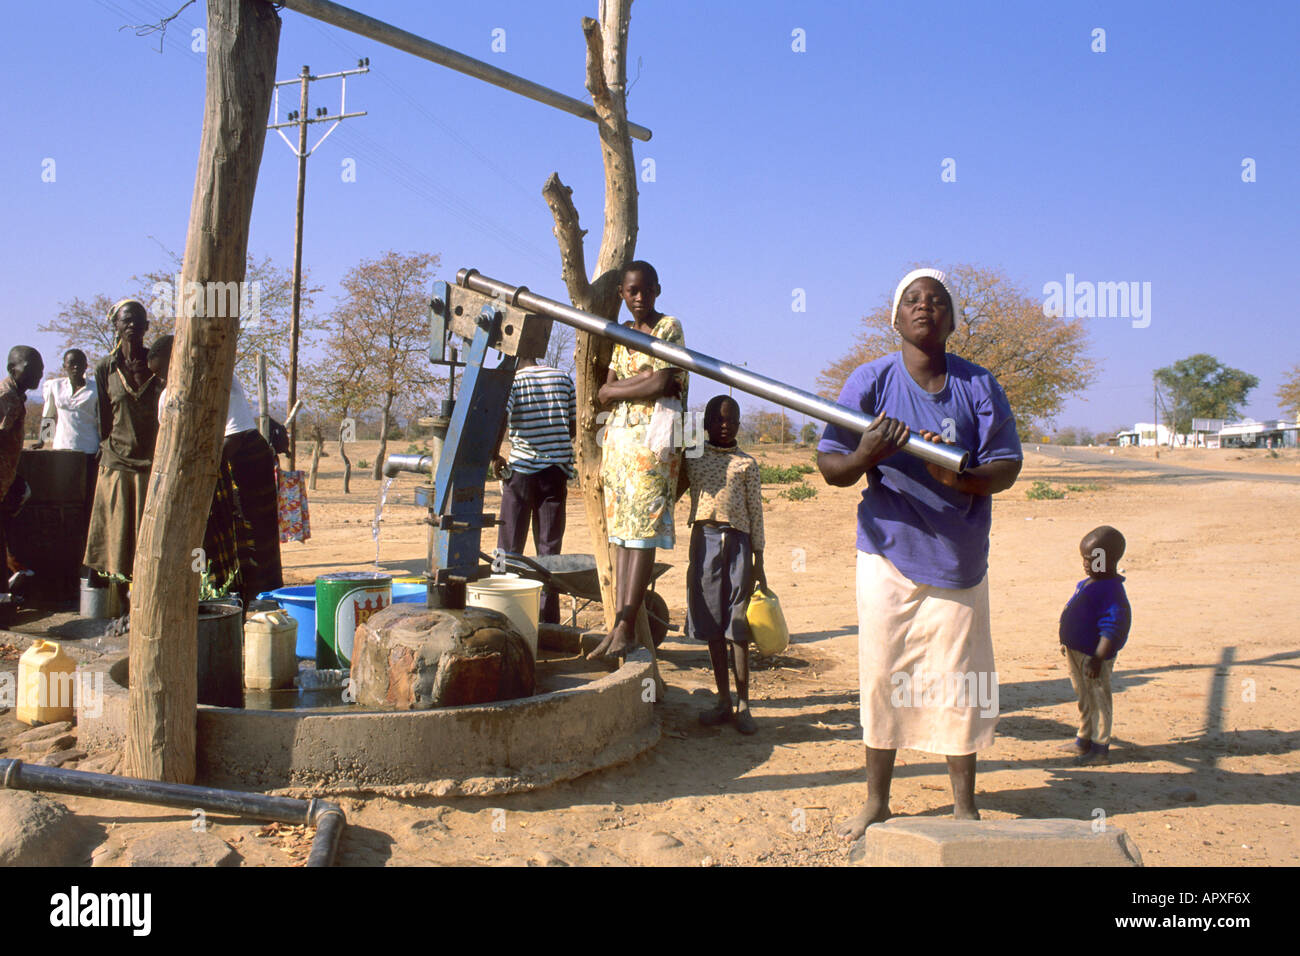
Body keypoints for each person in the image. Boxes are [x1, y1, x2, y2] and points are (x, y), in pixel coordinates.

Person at [817, 267, 1023, 840]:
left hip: (958, 556)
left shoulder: (979, 386)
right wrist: (866, 453)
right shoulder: (871, 380)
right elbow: (832, 465)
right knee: (883, 674)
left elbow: (1006, 466)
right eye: (912, 299)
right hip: (886, 552)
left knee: (960, 681)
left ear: (953, 321)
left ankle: (964, 808)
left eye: (936, 301)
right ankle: (877, 801)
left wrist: (956, 476)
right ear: (895, 317)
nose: (924, 306)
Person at [588, 260, 688, 660]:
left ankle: (628, 626)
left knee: (642, 533)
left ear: (658, 290)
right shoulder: (622, 334)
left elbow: (662, 380)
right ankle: (618, 623)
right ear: (622, 295)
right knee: (624, 537)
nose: (640, 298)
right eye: (632, 292)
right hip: (619, 448)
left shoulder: (669, 328)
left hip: (651, 446)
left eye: (647, 290)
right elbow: (605, 389)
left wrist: (617, 392)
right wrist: (633, 386)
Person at [147, 335, 282, 605]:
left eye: (162, 372)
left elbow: (233, 438)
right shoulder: (167, 395)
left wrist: (194, 472)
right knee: (217, 537)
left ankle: (262, 596)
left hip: (244, 463)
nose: (161, 379)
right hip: (210, 465)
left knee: (252, 532)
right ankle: (227, 593)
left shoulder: (218, 379)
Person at [678, 395, 766, 734]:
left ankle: (745, 704)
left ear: (740, 425)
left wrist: (759, 558)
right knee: (713, 622)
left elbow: (756, 512)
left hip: (739, 544)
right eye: (717, 419)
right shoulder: (693, 458)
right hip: (704, 542)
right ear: (705, 425)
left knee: (738, 623)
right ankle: (723, 699)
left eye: (731, 420)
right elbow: (674, 470)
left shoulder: (747, 464)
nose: (724, 425)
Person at [493, 349, 577, 625]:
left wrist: (494, 455)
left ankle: (502, 613)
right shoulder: (564, 378)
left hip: (521, 474)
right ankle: (548, 621)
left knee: (507, 547)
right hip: (555, 473)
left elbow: (500, 421)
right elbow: (573, 426)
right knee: (549, 550)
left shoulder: (513, 382)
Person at [84, 300, 161, 587]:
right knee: (116, 543)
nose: (132, 326)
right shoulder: (106, 367)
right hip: (117, 463)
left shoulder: (158, 365)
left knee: (147, 542)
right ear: (115, 325)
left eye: (138, 321)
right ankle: (117, 607)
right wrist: (108, 449)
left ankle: (141, 603)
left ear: (146, 327)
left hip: (151, 465)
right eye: (125, 320)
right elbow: (105, 417)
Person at [1059, 525, 1131, 766]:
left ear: (1111, 559)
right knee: (1084, 697)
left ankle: (1100, 747)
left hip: (1093, 658)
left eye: (1093, 559)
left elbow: (1114, 627)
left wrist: (1099, 658)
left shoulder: (1112, 592)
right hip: (1076, 653)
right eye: (1085, 559)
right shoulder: (1087, 583)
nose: (1086, 564)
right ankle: (1083, 738)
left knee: (1098, 699)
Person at [0, 347, 45, 595]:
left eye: (41, 368)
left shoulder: (17, 397)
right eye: (32, 367)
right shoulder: (6, 397)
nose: (39, 372)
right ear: (12, 370)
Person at [35, 349, 99, 456]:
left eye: (79, 363)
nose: (76, 367)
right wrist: (41, 442)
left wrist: (103, 446)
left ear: (86, 366)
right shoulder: (55, 386)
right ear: (64, 366)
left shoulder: (96, 388)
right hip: (62, 447)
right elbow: (48, 415)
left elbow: (102, 420)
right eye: (72, 363)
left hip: (89, 449)